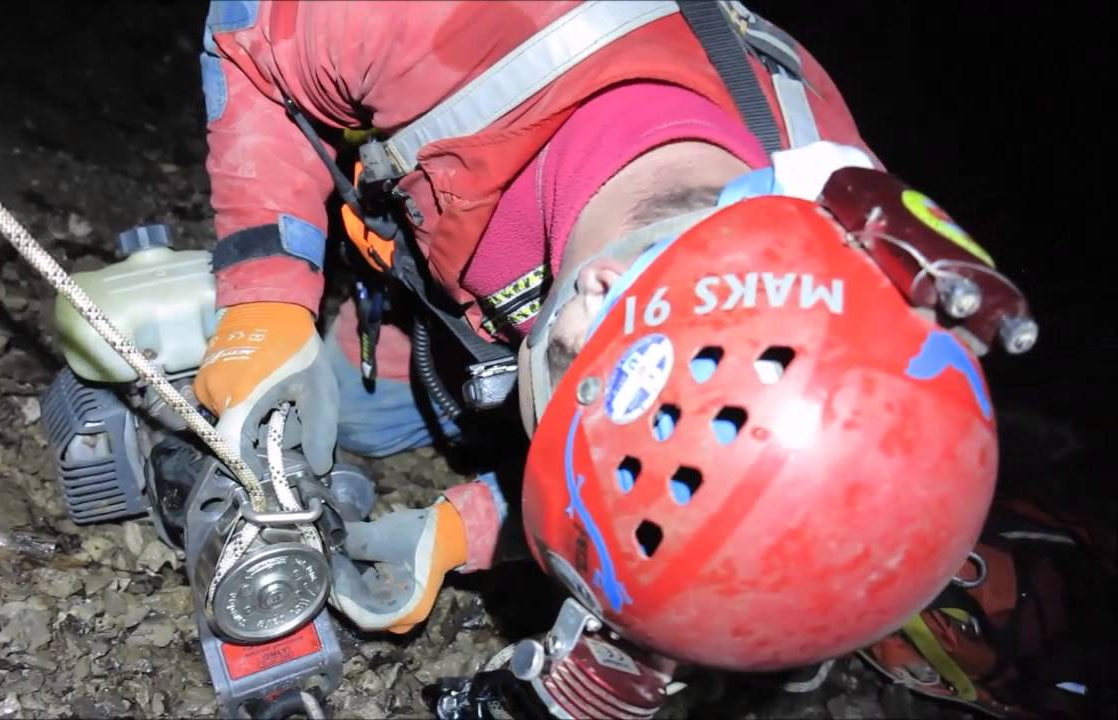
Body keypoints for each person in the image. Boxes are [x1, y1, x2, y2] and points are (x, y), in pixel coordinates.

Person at [192, 1, 1023, 705]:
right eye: (564, 410)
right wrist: (266, 294)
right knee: (341, 411)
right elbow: (248, 39)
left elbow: (706, 495)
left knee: (370, 423)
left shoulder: (863, 303)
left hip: (498, 292)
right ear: (590, 301)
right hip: (460, 251)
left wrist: (462, 529)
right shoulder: (424, 21)